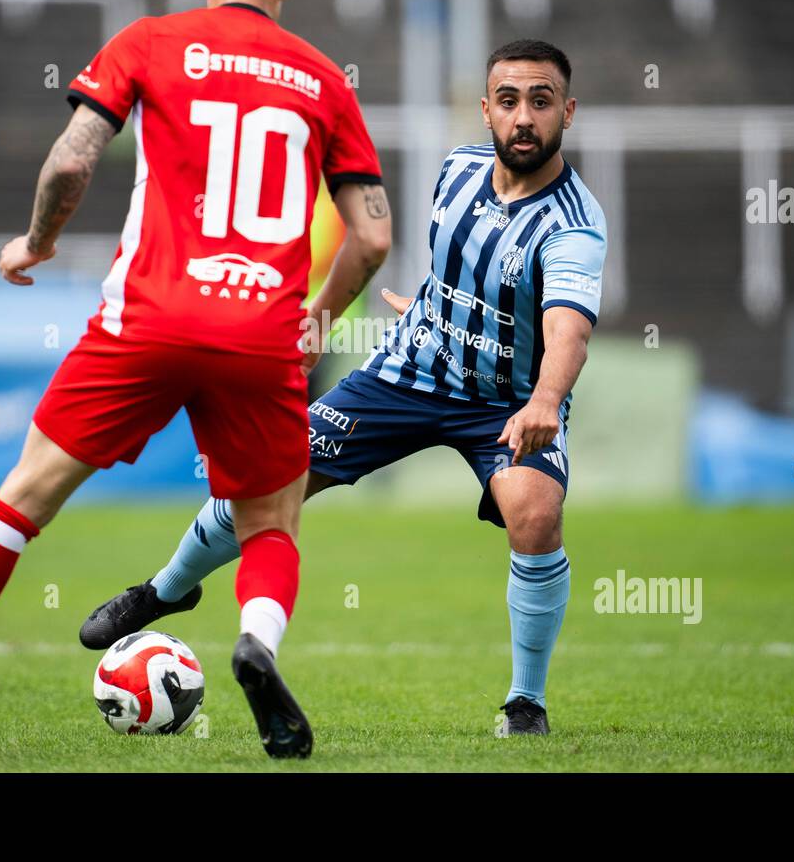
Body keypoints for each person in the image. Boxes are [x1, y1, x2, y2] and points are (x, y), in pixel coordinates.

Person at [0, 0, 392, 759]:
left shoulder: (151, 41)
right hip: (260, 332)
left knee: (23, 500)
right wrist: (317, 319)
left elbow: (72, 158)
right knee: (271, 521)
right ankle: (258, 646)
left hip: (147, 320)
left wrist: (37, 244)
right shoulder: (323, 79)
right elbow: (375, 235)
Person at [79, 38, 606, 736]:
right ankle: (164, 591)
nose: (524, 117)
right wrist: (431, 311)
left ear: (567, 111)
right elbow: (460, 268)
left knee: (534, 515)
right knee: (269, 476)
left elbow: (568, 330)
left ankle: (525, 704)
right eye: (508, 101)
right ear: (486, 109)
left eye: (541, 101)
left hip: (508, 403)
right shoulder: (457, 170)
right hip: (411, 370)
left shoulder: (575, 224)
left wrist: (543, 401)